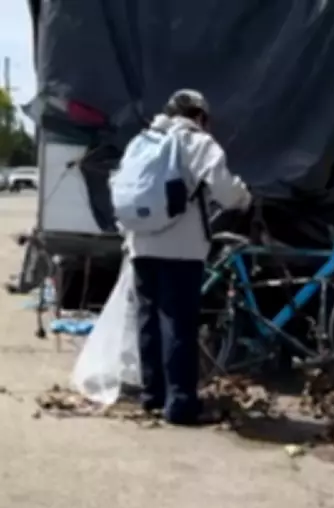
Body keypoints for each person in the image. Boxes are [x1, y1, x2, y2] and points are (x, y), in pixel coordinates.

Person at [117, 89, 252, 425]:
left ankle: (153, 397)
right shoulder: (197, 142)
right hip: (182, 248)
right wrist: (244, 198)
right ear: (199, 116)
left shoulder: (142, 142)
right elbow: (225, 189)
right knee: (178, 323)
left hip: (141, 244)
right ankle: (180, 405)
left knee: (148, 319)